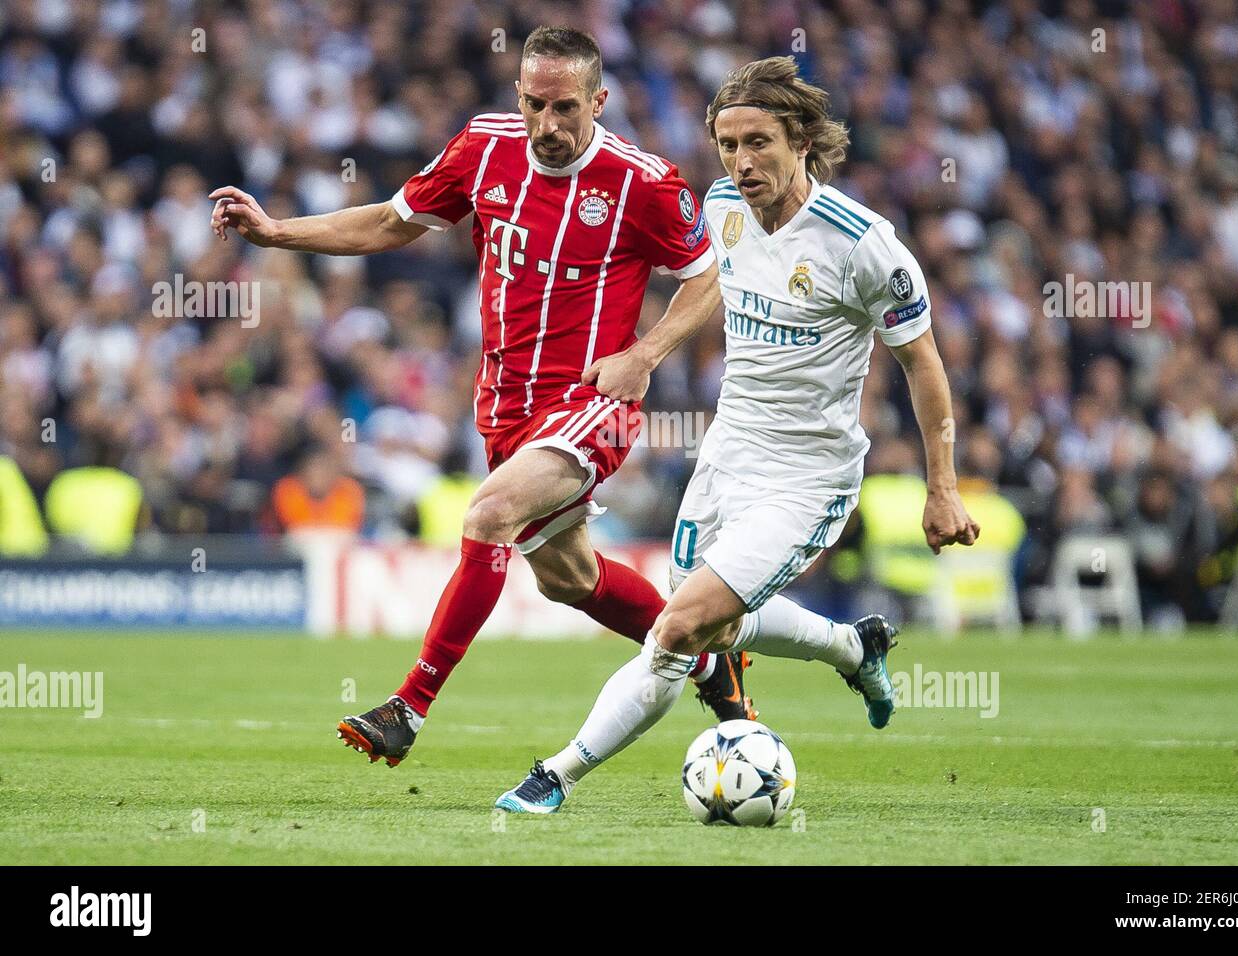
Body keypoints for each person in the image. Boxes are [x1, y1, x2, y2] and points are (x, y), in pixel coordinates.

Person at [210, 27, 767, 769]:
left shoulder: (645, 182)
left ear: (598, 100)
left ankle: (408, 706)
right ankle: (708, 663)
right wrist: (278, 234)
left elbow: (708, 277)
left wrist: (644, 356)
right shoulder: (483, 148)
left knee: (490, 515)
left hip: (592, 401)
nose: (548, 123)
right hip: (505, 409)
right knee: (570, 578)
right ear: (518, 96)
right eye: (535, 104)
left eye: (566, 106)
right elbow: (387, 222)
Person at [497, 57, 979, 813]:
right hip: (726, 453)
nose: (740, 161)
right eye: (727, 143)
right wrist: (646, 353)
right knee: (709, 627)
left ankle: (555, 775)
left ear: (803, 141)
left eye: (759, 142)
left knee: (679, 627)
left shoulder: (864, 245)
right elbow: (698, 286)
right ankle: (856, 648)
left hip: (807, 475)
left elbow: (924, 364)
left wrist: (941, 488)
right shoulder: (721, 205)